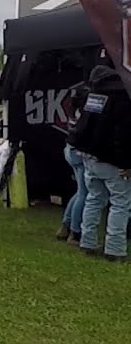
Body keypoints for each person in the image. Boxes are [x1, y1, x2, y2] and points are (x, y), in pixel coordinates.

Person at [67, 65, 131, 261]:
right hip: (112, 160)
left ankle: (87, 241)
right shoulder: (123, 98)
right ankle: (115, 249)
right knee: (120, 204)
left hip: (89, 157)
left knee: (93, 200)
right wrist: (126, 162)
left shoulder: (94, 97)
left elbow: (83, 128)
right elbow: (124, 134)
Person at [57, 79, 92, 244]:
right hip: (79, 152)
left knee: (80, 192)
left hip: (71, 149)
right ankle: (75, 232)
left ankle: (66, 225)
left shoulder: (75, 110)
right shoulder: (86, 113)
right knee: (84, 194)